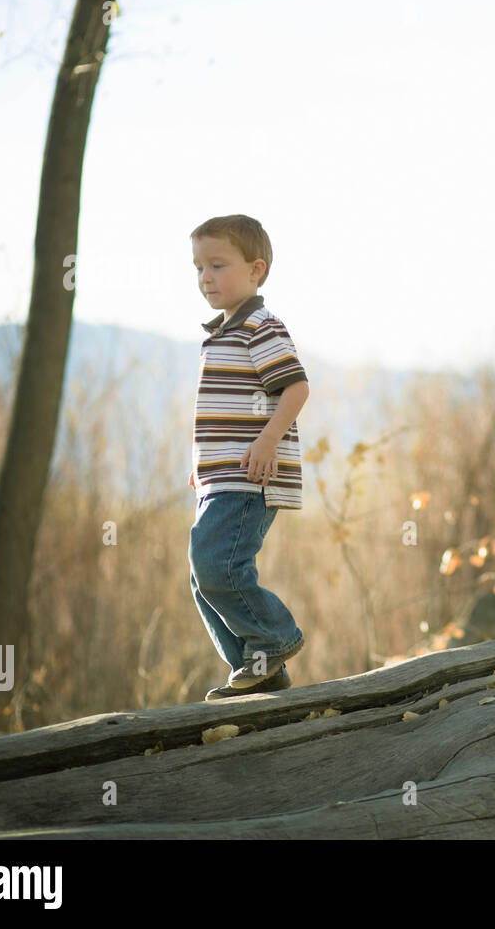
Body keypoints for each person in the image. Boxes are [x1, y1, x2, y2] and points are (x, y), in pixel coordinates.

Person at [187, 214, 309, 701]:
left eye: (217, 265)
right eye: (198, 268)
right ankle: (257, 670)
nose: (206, 278)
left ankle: (274, 638)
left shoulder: (260, 326)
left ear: (256, 270)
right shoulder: (221, 333)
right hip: (219, 479)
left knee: (218, 566)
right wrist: (200, 468)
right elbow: (220, 415)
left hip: (251, 476)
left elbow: (296, 387)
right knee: (203, 576)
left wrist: (267, 441)